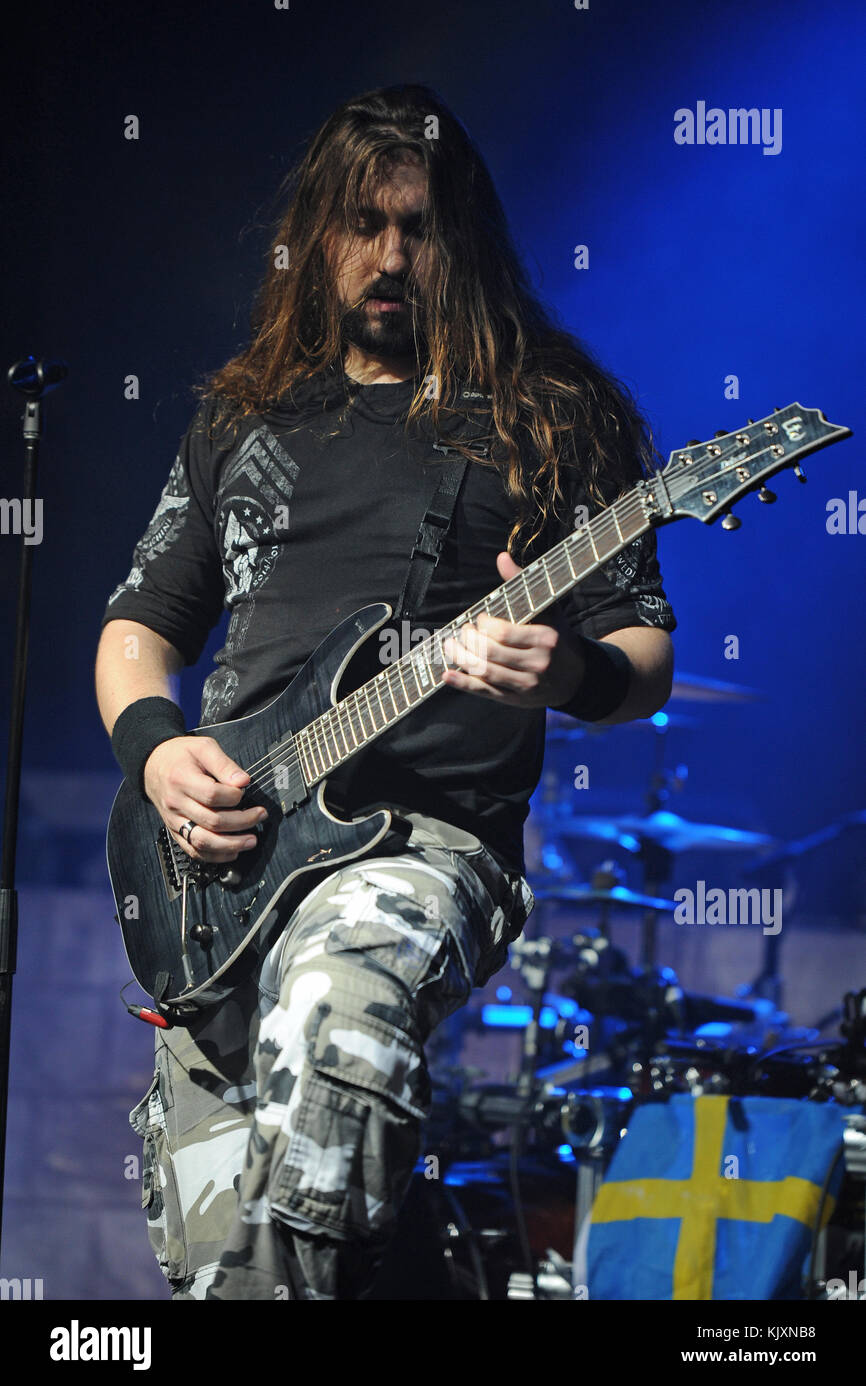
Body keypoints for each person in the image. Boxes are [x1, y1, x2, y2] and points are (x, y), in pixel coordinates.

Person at [95, 83, 676, 1300]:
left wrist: (563, 667)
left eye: (418, 226)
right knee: (232, 1263)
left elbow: (641, 661)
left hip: (419, 845)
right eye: (365, 224)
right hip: (222, 865)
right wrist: (157, 751)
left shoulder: (548, 412)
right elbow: (138, 630)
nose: (393, 256)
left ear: (458, 235)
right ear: (317, 233)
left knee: (335, 1015)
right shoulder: (245, 417)